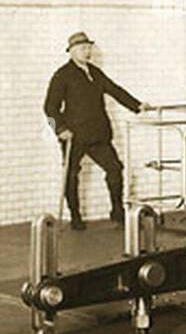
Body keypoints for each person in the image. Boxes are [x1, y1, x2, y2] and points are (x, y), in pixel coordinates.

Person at [43, 32, 154, 229]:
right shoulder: (62, 75)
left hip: (99, 135)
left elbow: (115, 90)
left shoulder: (95, 72)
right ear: (71, 51)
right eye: (82, 48)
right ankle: (75, 216)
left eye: (88, 47)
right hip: (73, 137)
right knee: (71, 176)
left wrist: (137, 105)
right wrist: (59, 129)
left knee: (115, 169)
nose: (86, 51)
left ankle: (117, 211)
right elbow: (49, 108)